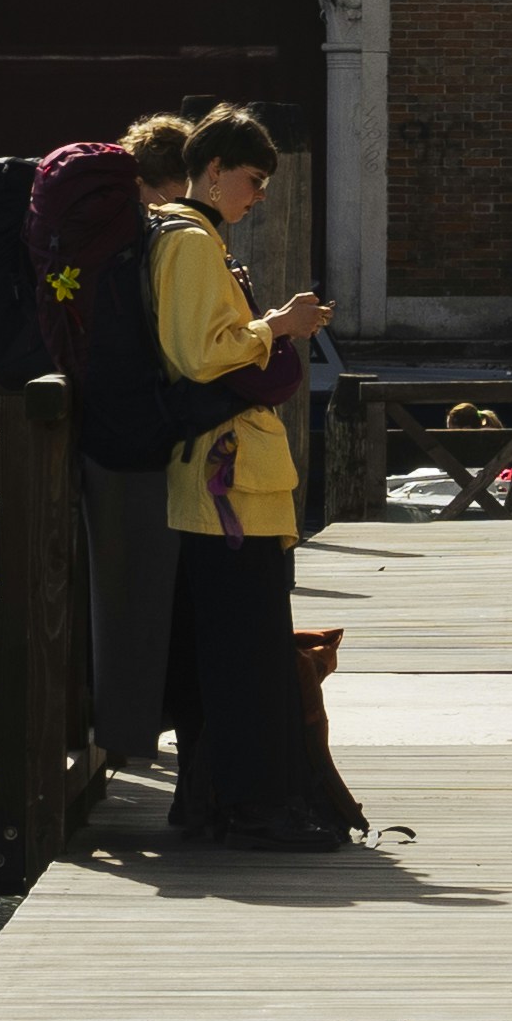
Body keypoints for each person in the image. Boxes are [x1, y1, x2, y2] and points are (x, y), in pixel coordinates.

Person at [152, 105, 347, 848]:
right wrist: (280, 326)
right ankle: (257, 810)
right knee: (248, 659)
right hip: (225, 490)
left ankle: (212, 803)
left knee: (226, 657)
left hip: (218, 489)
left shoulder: (185, 237)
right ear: (211, 170)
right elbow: (205, 355)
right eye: (251, 179)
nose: (259, 194)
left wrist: (267, 325)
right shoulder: (193, 243)